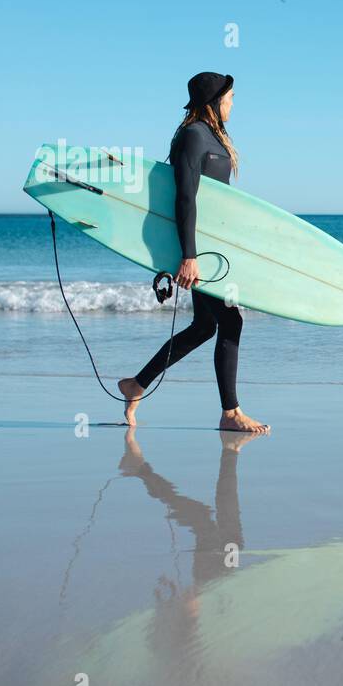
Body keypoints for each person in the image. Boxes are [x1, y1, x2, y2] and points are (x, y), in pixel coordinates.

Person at [119, 72, 269, 432]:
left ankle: (135, 385)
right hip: (197, 249)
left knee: (205, 326)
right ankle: (230, 413)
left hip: (212, 249)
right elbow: (184, 198)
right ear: (214, 100)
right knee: (230, 321)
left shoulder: (214, 137)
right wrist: (188, 256)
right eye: (230, 97)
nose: (233, 103)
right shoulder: (192, 137)